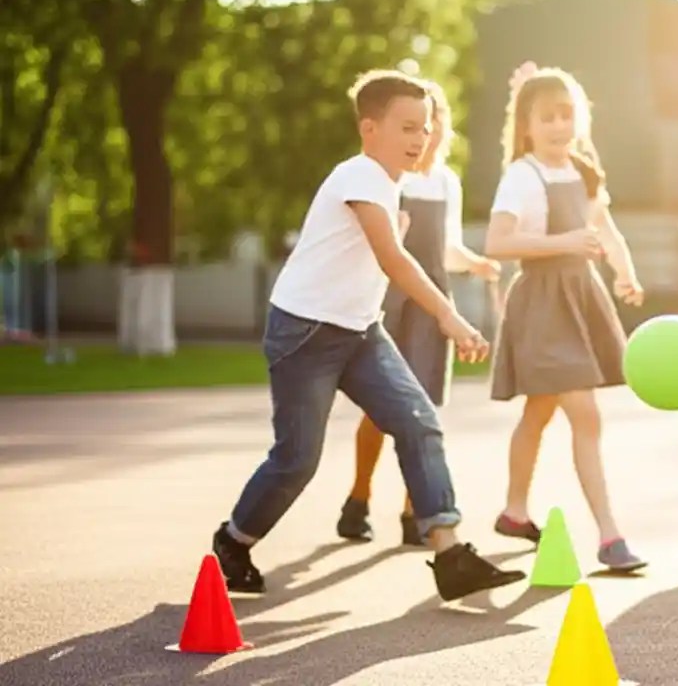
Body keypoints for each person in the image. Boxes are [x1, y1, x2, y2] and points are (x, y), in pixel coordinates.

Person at [210, 70, 524, 602]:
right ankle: (233, 540)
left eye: (424, 128)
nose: (419, 139)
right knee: (296, 461)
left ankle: (449, 554)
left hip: (358, 329)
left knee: (418, 420)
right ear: (369, 128)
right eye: (407, 127)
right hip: (304, 332)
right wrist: (449, 316)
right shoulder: (359, 175)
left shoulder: (390, 184)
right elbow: (392, 259)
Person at [484, 63, 647, 572]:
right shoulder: (520, 176)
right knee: (583, 412)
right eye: (548, 117)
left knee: (540, 412)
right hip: (541, 304)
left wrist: (625, 272)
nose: (559, 125)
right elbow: (497, 243)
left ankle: (514, 511)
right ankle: (609, 534)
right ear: (527, 126)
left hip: (581, 297)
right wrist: (563, 243)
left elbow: (606, 230)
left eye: (567, 114)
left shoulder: (583, 173)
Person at [336, 81, 502, 546]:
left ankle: (415, 511)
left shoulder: (447, 182)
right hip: (391, 298)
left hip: (432, 303)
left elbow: (445, 248)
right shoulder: (389, 178)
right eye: (414, 126)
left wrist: (476, 263)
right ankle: (359, 497)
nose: (426, 134)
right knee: (380, 404)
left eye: (433, 124)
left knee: (424, 405)